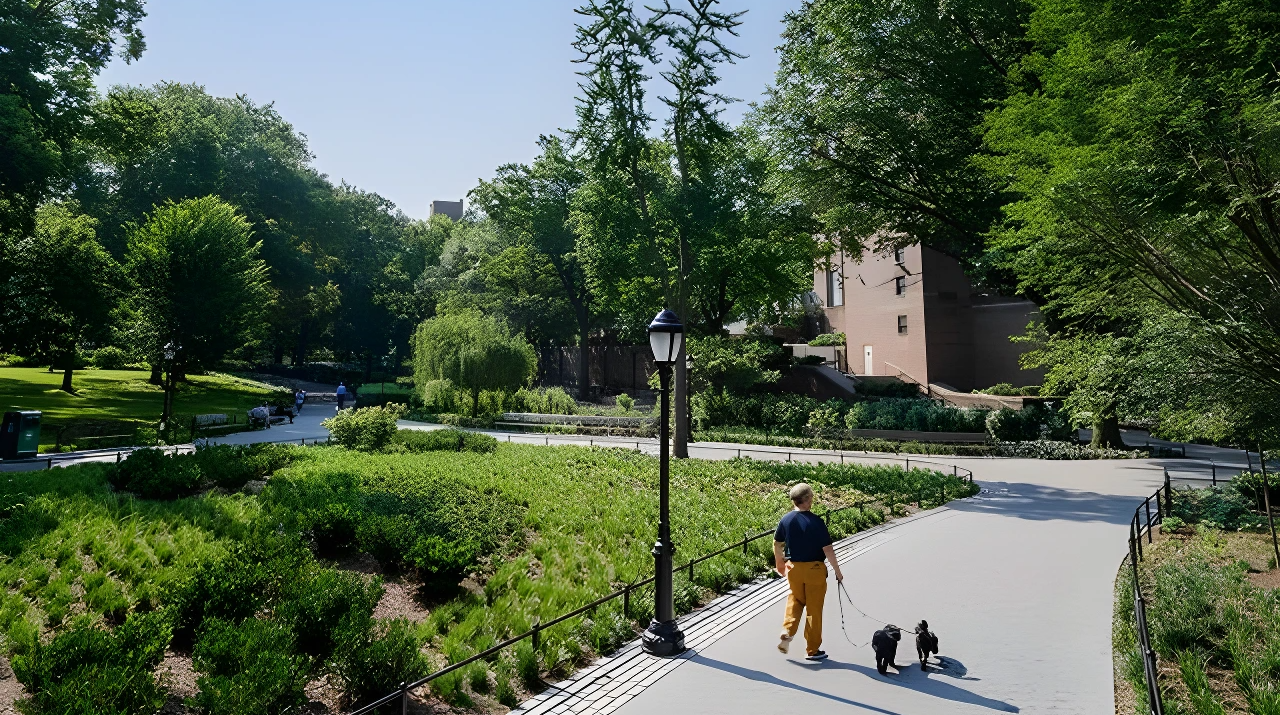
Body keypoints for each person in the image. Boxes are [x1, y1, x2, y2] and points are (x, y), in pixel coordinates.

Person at [774, 482, 844, 661]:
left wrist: (780, 564)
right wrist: (837, 571)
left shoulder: (786, 520)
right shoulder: (816, 522)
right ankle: (812, 650)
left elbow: (777, 543)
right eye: (811, 497)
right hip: (814, 569)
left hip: (794, 569)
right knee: (814, 609)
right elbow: (827, 549)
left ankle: (787, 630)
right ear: (806, 500)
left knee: (796, 599)